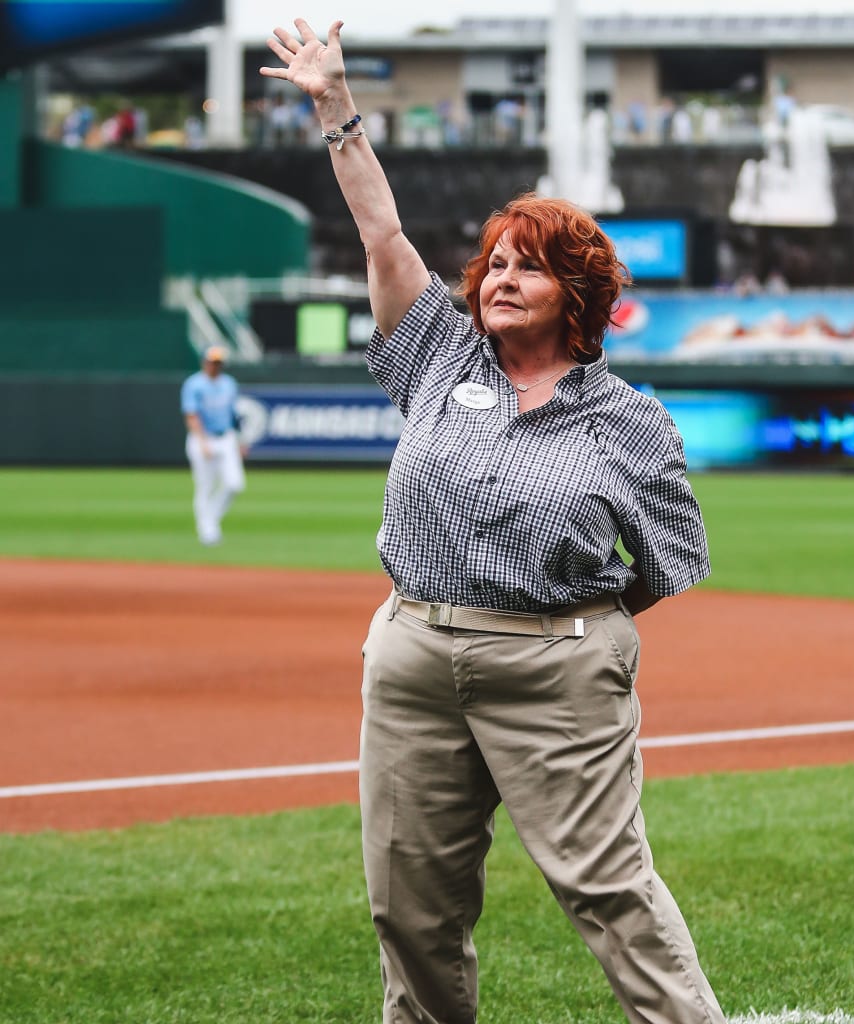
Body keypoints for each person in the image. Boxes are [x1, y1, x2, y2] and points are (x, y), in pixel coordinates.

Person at [262, 19, 725, 1024]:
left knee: (609, 892)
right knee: (409, 907)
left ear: (579, 297)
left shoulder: (628, 419)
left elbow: (671, 558)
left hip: (555, 669)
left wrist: (576, 629)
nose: (502, 277)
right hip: (414, 652)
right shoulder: (440, 354)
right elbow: (383, 235)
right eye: (495, 263)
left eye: (531, 266)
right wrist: (335, 107)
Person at [180, 345, 246, 546]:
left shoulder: (229, 384)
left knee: (235, 484)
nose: (216, 366)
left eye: (219, 362)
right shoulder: (194, 384)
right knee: (205, 486)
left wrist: (240, 440)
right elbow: (191, 415)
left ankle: (211, 519)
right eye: (212, 362)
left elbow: (234, 415)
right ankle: (207, 530)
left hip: (226, 438)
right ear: (204, 362)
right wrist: (202, 442)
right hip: (203, 438)